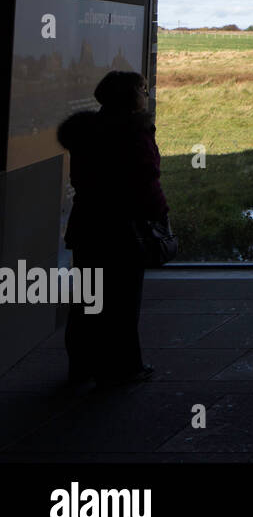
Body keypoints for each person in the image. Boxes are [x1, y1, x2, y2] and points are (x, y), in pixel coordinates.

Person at [57, 70, 165, 385]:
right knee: (123, 303)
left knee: (87, 302)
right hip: (123, 229)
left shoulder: (85, 131)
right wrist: (159, 215)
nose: (147, 94)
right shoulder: (135, 131)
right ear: (130, 96)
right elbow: (147, 180)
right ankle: (124, 368)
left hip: (88, 225)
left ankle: (82, 367)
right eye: (143, 89)